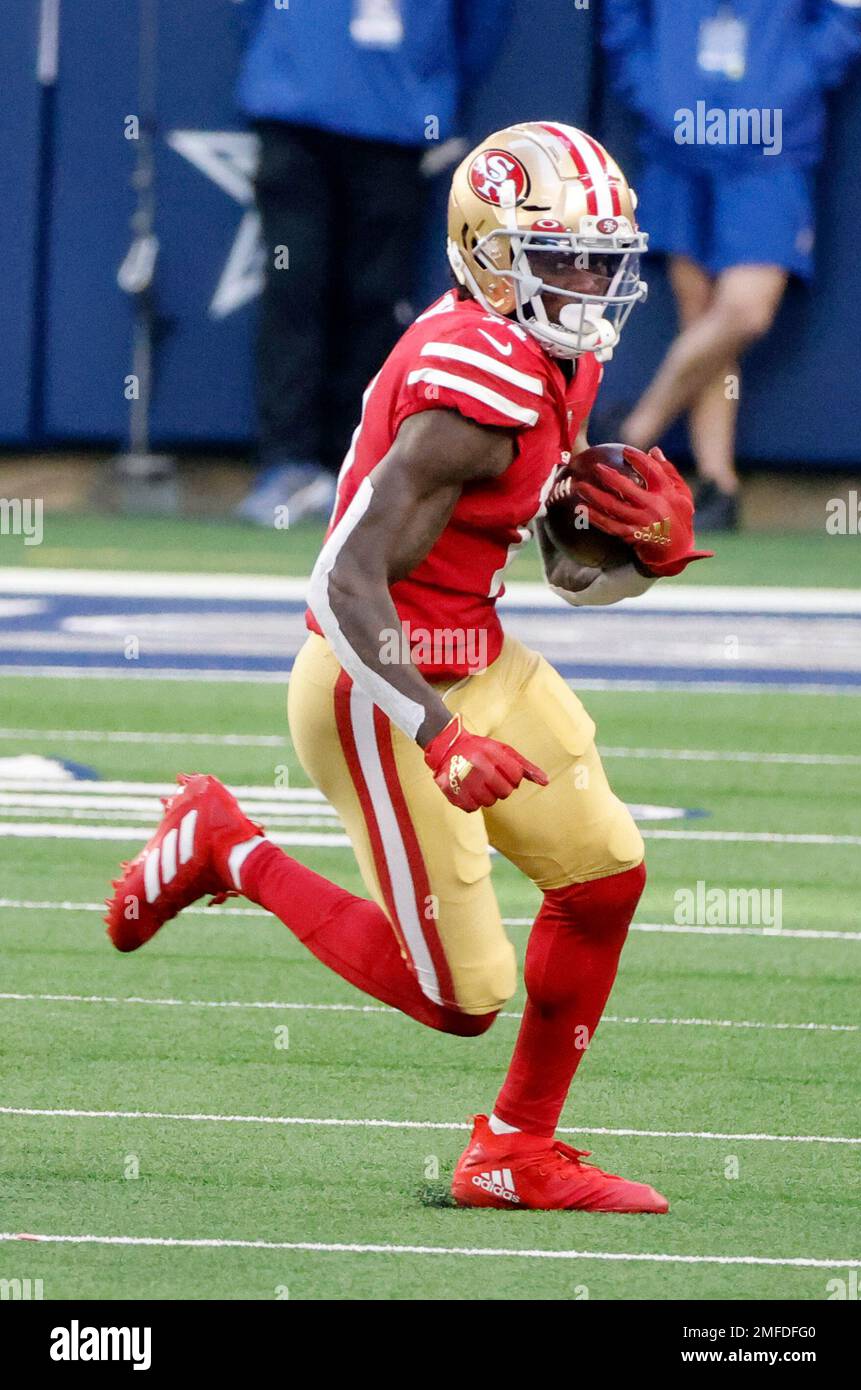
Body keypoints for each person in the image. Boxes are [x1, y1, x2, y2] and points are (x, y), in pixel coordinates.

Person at [106, 122, 712, 1212]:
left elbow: (525, 525)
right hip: (373, 680)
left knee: (603, 873)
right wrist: (440, 733)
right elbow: (344, 580)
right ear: (486, 252)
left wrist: (622, 552)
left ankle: (512, 1150)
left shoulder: (555, 346)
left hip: (470, 645)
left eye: (599, 254)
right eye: (558, 254)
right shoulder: (466, 386)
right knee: (458, 997)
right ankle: (224, 846)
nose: (586, 279)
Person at [236, 0, 513, 526]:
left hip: (396, 121)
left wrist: (431, 81)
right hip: (295, 114)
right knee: (294, 287)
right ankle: (285, 461)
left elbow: (481, 23)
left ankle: (359, 463)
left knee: (378, 299)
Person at [603, 0, 861, 530]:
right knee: (700, 322)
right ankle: (718, 483)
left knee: (743, 313)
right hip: (678, 143)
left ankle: (632, 433)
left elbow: (847, 12)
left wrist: (796, 79)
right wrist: (654, 90)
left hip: (771, 148)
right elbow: (621, 18)